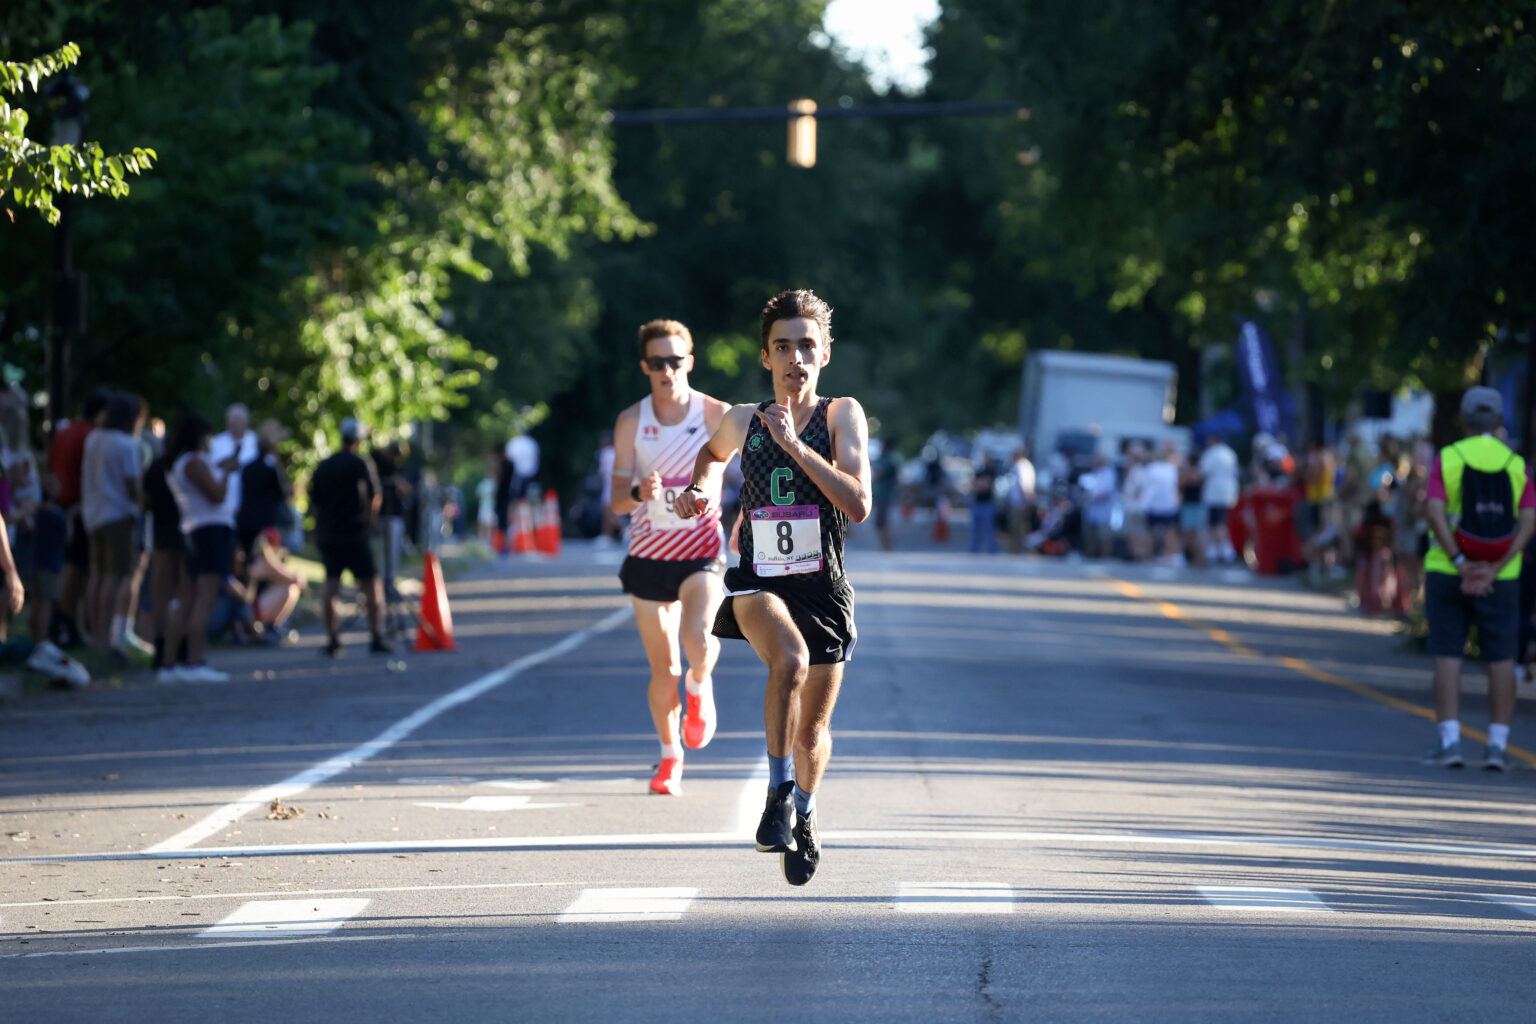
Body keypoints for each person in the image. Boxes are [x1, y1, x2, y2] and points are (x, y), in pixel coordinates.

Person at [675, 289, 871, 887]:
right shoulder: (744, 418)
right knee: (788, 659)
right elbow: (709, 457)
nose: (795, 358)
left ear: (825, 352)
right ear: (765, 357)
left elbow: (858, 503)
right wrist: (701, 492)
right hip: (758, 581)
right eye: (782, 347)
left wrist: (793, 446)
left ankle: (804, 814)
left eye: (806, 345)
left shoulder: (842, 415)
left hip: (824, 588)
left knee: (813, 733)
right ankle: (777, 794)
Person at [610, 318, 731, 796]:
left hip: (701, 549)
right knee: (665, 670)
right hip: (648, 554)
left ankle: (701, 687)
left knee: (698, 640)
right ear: (645, 367)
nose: (667, 371)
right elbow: (617, 499)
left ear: (690, 362)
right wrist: (639, 491)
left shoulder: (715, 414)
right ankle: (669, 756)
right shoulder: (631, 422)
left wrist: (728, 506)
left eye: (675, 361)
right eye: (657, 363)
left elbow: (745, 473)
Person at [1420, 386, 1536, 771]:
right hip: (1501, 576)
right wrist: (1496, 567)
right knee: (1502, 656)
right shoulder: (1516, 464)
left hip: (1447, 570)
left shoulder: (1448, 458)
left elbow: (1435, 513)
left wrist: (1459, 561)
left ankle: (1450, 741)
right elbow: (1528, 522)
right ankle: (1498, 746)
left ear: (1464, 421)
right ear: (1501, 422)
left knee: (1448, 653)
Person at [162, 414, 238, 683]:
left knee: (188, 599)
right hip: (209, 531)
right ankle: (194, 662)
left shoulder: (180, 463)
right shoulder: (192, 462)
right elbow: (216, 495)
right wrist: (227, 472)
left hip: (195, 530)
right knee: (204, 599)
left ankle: (170, 664)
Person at [310, 417, 390, 657]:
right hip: (355, 533)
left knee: (331, 585)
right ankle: (376, 635)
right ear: (358, 440)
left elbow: (314, 504)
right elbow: (375, 496)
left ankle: (332, 638)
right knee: (371, 584)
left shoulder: (324, 465)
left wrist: (316, 530)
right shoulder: (360, 463)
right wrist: (369, 521)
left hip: (330, 534)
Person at [80, 393, 145, 657]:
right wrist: (143, 502)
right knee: (113, 577)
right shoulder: (126, 444)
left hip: (93, 513)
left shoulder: (93, 438)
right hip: (117, 513)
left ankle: (96, 634)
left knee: (97, 575)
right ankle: (103, 641)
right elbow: (133, 487)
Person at [47, 387, 110, 647]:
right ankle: (68, 620)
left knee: (71, 564)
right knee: (80, 566)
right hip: (79, 505)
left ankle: (66, 619)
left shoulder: (63, 433)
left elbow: (51, 469)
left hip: (60, 502)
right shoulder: (90, 436)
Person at [235, 419, 293, 556]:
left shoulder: (247, 468)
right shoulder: (271, 469)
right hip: (263, 526)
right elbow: (283, 494)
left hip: (245, 522)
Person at [208, 402, 259, 527]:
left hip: (251, 502)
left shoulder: (256, 441)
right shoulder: (216, 443)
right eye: (232, 421)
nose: (235, 425)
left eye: (238, 421)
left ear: (246, 422)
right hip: (225, 503)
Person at [1198, 433, 1240, 564]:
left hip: (1215, 492)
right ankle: (1220, 550)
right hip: (1228, 491)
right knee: (1220, 521)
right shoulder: (1230, 453)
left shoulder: (1212, 453)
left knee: (1216, 523)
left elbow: (1203, 471)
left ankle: (1223, 551)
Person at [869, 438, 901, 552]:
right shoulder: (890, 460)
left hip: (884, 495)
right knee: (881, 522)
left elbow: (877, 472)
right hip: (882, 495)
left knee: (881, 522)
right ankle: (885, 546)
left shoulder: (887, 461)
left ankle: (886, 547)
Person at [968, 455, 1001, 554]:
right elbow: (973, 485)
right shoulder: (979, 471)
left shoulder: (991, 471)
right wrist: (981, 484)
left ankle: (992, 549)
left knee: (989, 528)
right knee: (975, 530)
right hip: (978, 502)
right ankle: (975, 550)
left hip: (987, 503)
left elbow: (988, 485)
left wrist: (980, 485)